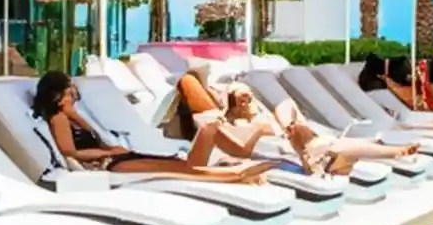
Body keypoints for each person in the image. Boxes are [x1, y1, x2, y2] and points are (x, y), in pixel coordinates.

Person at [34, 71, 273, 184]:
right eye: (70, 89)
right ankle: (235, 175)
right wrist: (108, 153)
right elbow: (69, 152)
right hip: (110, 165)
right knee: (182, 170)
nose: (75, 92)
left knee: (183, 163)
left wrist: (76, 114)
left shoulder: (70, 115)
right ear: (57, 95)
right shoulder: (58, 118)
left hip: (117, 157)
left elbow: (92, 139)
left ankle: (236, 166)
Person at [222, 82, 422, 176]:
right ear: (232, 104)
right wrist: (257, 128)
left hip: (315, 151)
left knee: (340, 145)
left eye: (249, 96)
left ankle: (392, 150)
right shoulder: (240, 125)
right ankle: (395, 152)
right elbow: (240, 151)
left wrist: (290, 127)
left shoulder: (267, 118)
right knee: (339, 147)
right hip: (309, 161)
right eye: (241, 98)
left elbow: (286, 105)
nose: (247, 100)